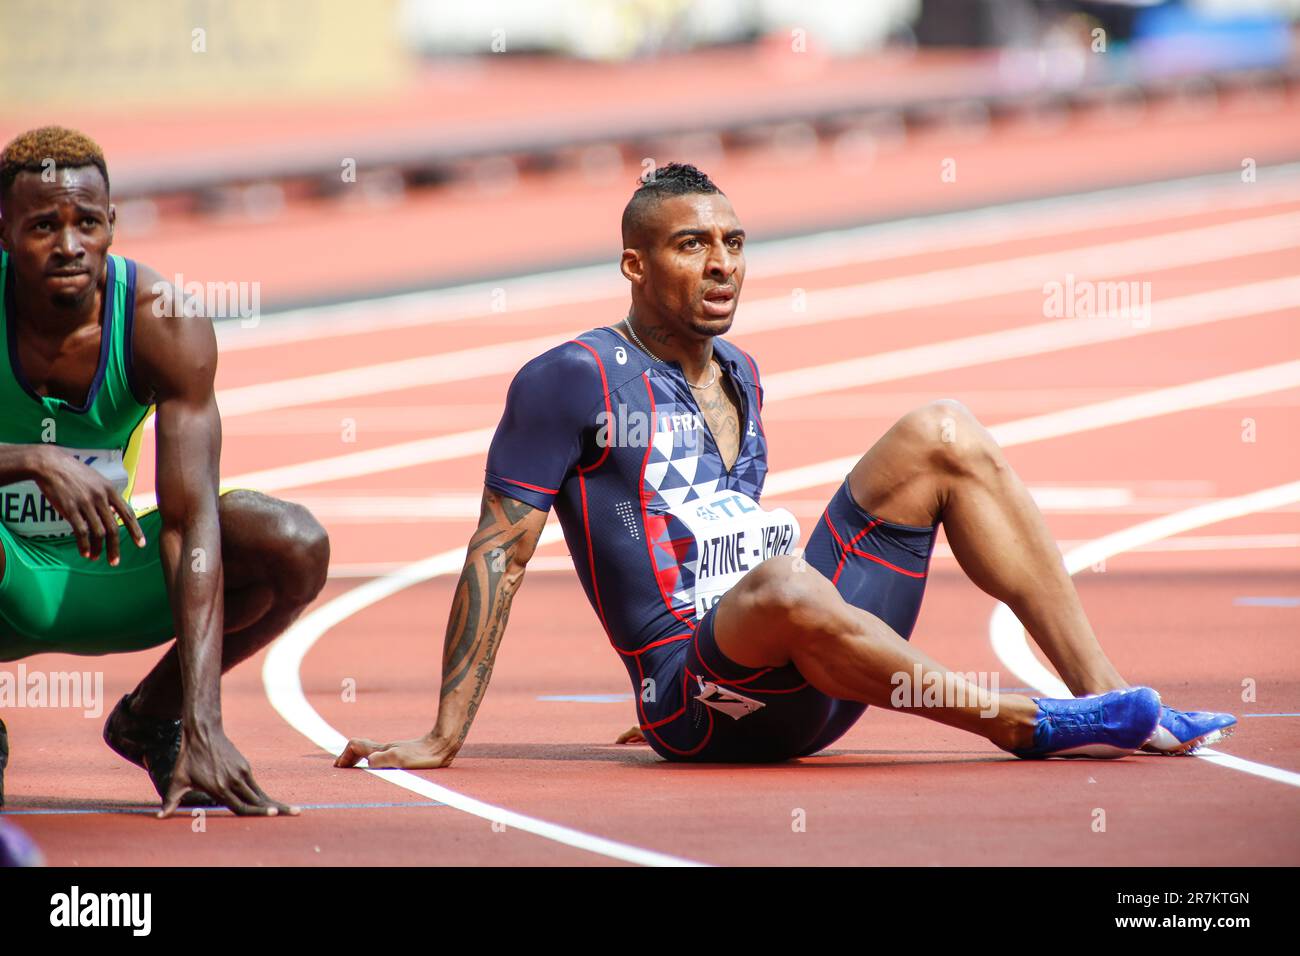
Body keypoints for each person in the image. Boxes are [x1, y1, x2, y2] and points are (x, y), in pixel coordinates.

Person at [336, 163, 1234, 771]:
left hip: (802, 676)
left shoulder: (741, 373)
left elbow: (721, 538)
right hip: (699, 700)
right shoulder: (569, 380)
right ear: (634, 267)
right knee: (786, 585)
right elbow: (499, 554)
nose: (722, 265)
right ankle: (1022, 724)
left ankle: (1116, 701)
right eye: (693, 246)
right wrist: (444, 734)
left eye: (733, 243)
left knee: (943, 430)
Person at [0, 127, 329, 817]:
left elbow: (189, 521)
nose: (68, 245)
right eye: (41, 226)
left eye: (87, 222)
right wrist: (31, 458)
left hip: (113, 568)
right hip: (8, 577)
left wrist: (207, 721)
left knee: (293, 543)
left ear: (113, 225)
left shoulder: (161, 321)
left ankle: (156, 718)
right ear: (2, 230)